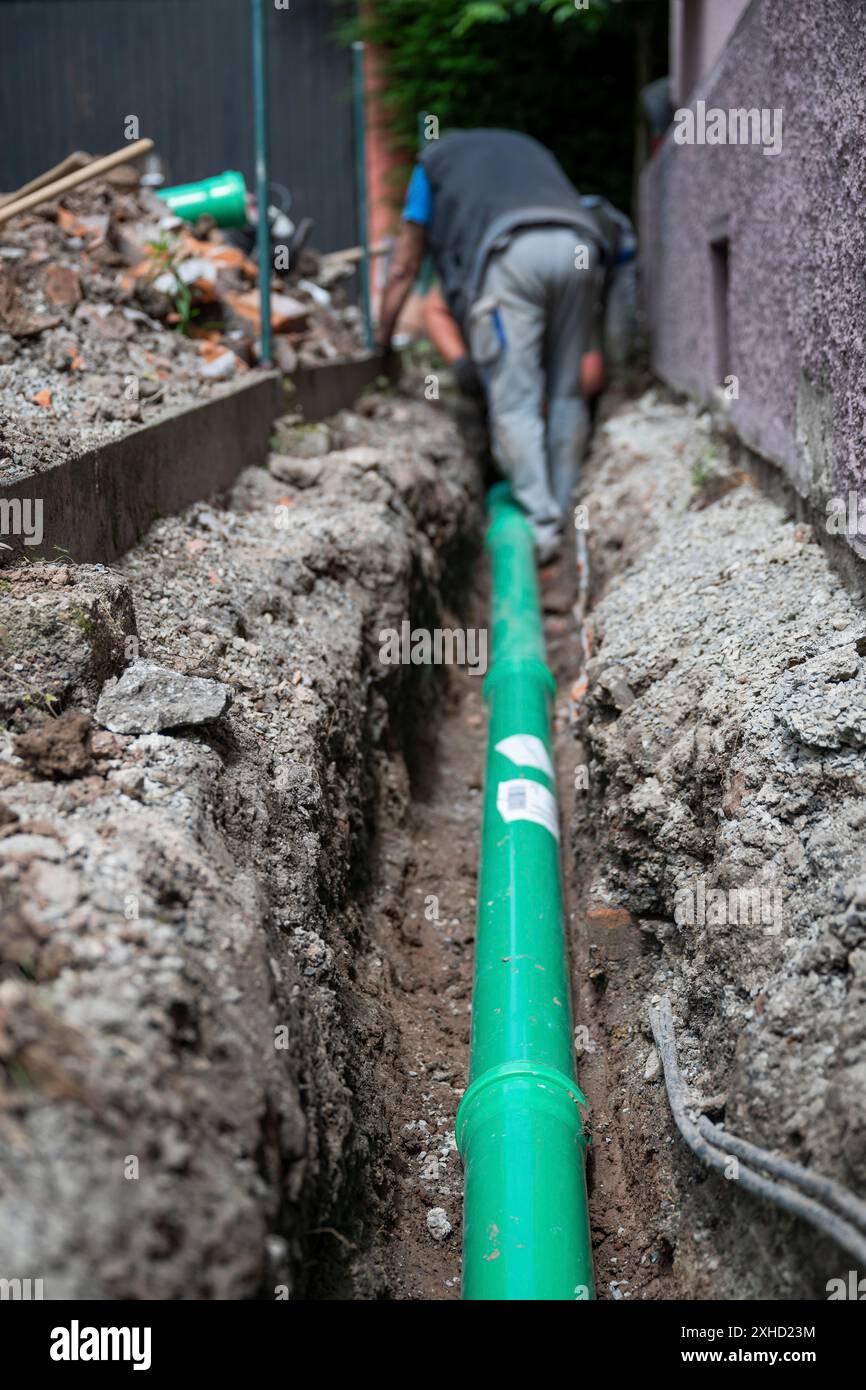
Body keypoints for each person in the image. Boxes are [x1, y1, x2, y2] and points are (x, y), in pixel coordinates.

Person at [376, 128, 607, 563]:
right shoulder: (526, 145)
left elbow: (405, 265)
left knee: (515, 403)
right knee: (566, 393)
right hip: (580, 245)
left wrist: (381, 340)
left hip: (512, 254)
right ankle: (564, 511)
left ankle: (541, 528)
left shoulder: (433, 164)